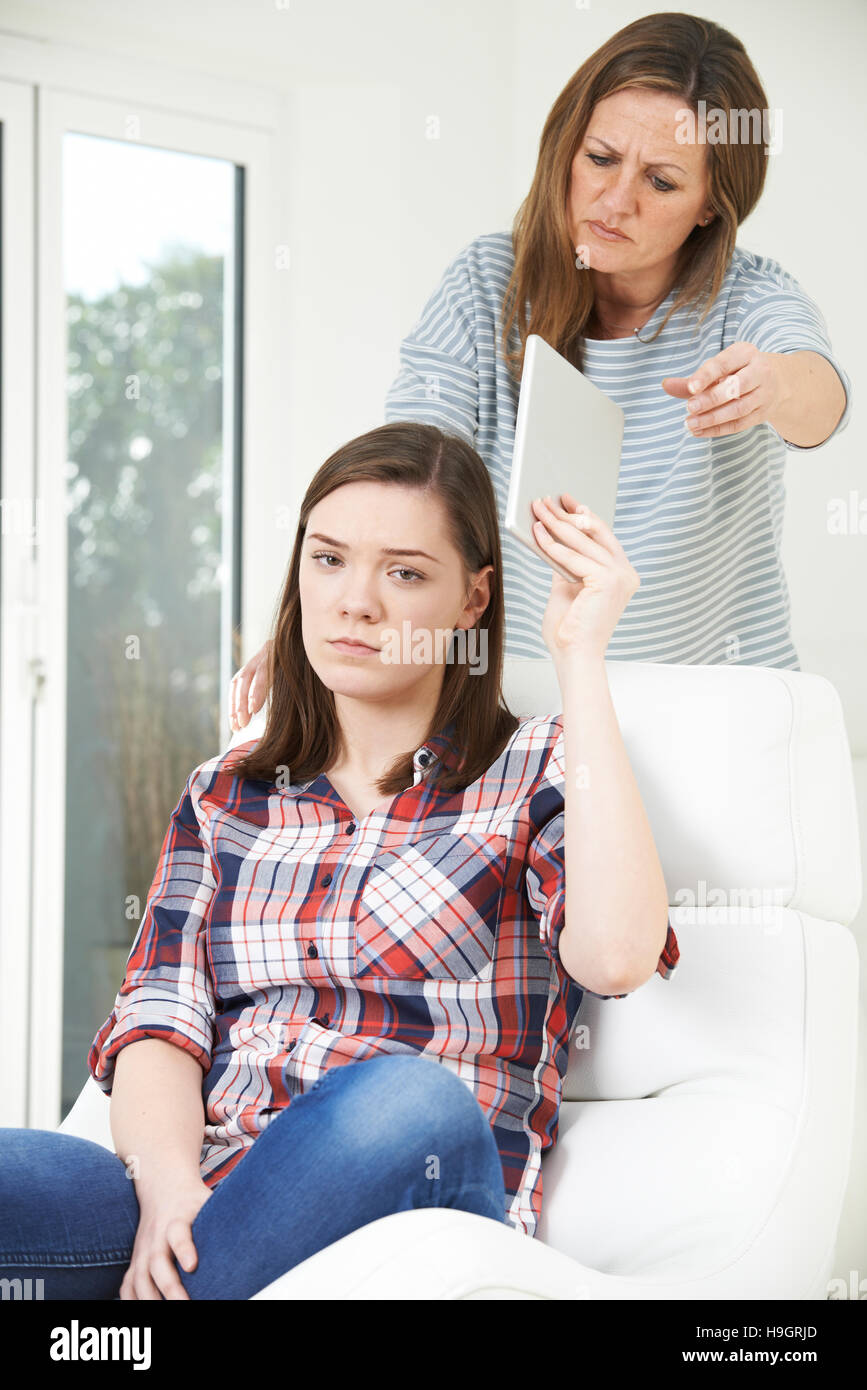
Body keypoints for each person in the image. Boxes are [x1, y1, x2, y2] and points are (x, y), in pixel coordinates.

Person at [0, 422, 678, 1300]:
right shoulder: (226, 794)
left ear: (474, 600)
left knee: (407, 1101)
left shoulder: (540, 769)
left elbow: (616, 955)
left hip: (399, 1197)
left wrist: (580, 653)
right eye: (327, 560)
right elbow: (160, 1023)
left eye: (404, 572)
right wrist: (170, 1190)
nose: (355, 602)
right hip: (207, 1195)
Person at [229, 12, 851, 733]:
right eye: (599, 158)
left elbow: (821, 397)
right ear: (564, 146)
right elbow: (403, 470)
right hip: (525, 703)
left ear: (711, 203)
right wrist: (318, 629)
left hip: (717, 709)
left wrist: (771, 385)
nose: (616, 202)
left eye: (660, 180)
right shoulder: (485, 284)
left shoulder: (747, 298)